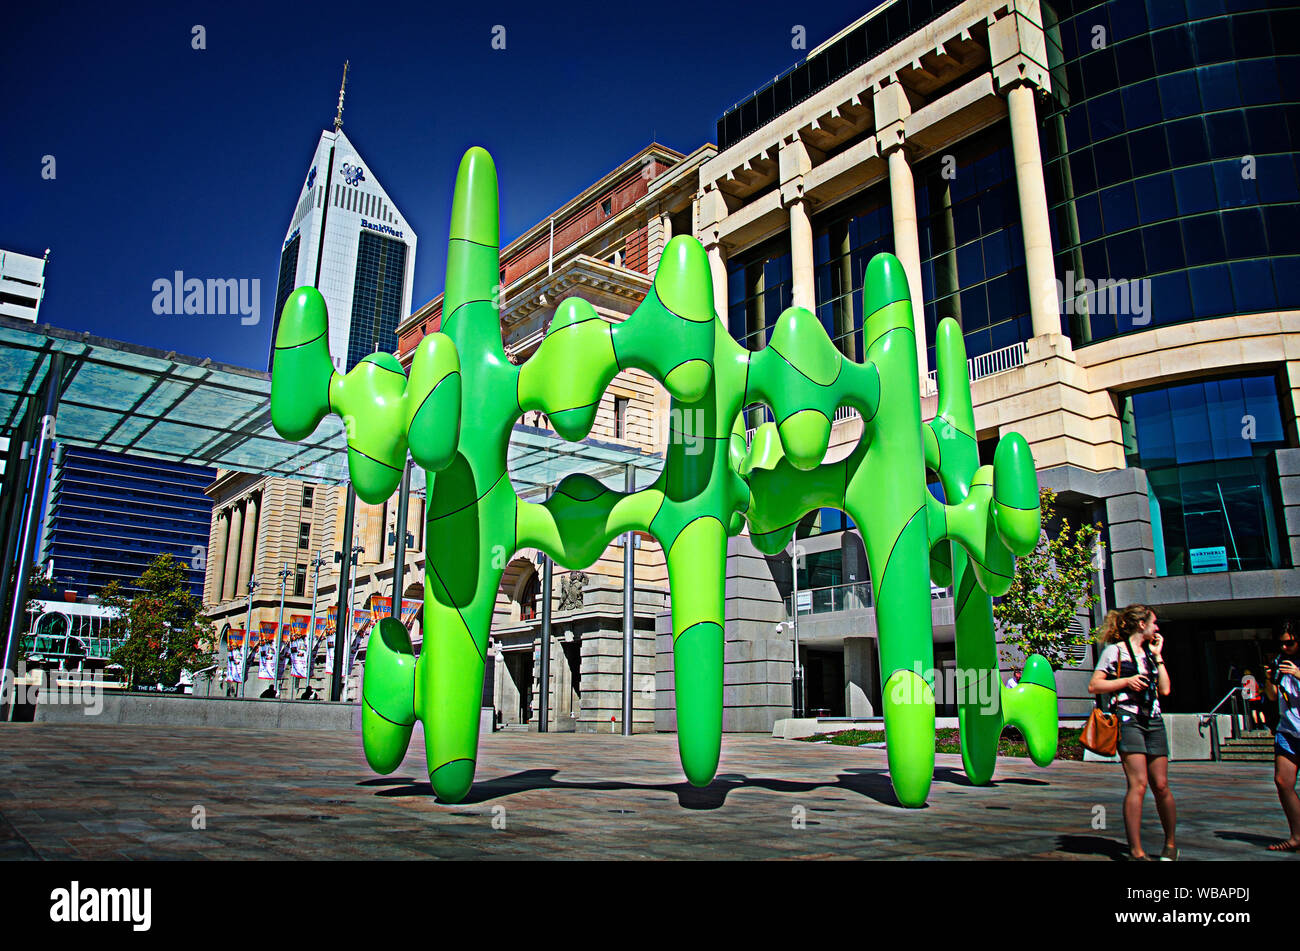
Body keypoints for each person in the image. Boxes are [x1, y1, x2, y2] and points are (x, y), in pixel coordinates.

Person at [1088, 604, 1176, 861]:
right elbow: (1095, 685)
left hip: (1154, 720)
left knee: (1161, 785)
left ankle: (1170, 844)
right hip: (1128, 720)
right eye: (1154, 623)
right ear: (1141, 625)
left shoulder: (1150, 653)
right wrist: (1126, 681)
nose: (1157, 628)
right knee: (1137, 784)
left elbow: (1166, 689)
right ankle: (1136, 851)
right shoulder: (1114, 652)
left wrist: (1158, 656)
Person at [1261, 621, 1300, 852]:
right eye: (1281, 643)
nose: (1285, 647)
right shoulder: (1279, 662)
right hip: (1288, 729)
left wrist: (1297, 673)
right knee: (1283, 781)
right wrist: (1269, 678)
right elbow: (1273, 697)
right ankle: (1296, 835)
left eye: (1290, 643)